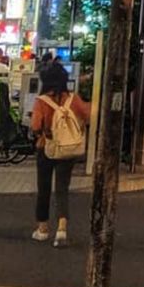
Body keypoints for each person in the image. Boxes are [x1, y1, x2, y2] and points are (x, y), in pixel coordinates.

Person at [30, 64, 89, 246]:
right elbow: (87, 115)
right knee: (62, 188)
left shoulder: (42, 101)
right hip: (68, 149)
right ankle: (62, 229)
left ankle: (43, 228)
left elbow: (35, 125)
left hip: (46, 148)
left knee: (44, 188)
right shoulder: (73, 98)